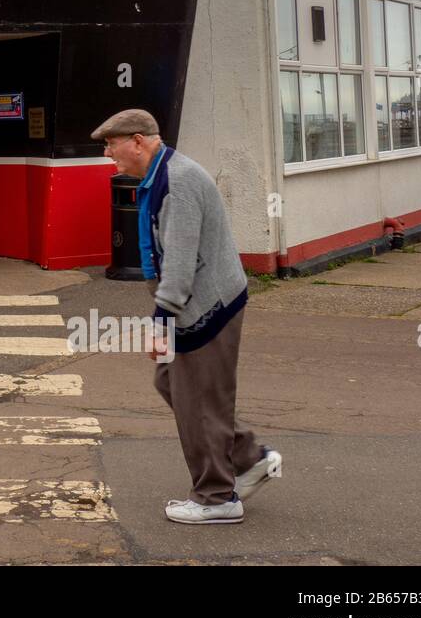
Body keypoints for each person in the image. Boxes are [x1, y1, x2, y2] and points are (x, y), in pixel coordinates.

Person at [91, 108, 282, 524]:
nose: (108, 153)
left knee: (198, 399)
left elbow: (179, 262)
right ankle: (248, 459)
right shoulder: (162, 174)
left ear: (138, 141)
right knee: (176, 385)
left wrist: (161, 322)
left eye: (112, 144)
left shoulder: (176, 182)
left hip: (206, 308)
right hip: (201, 304)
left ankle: (216, 498)